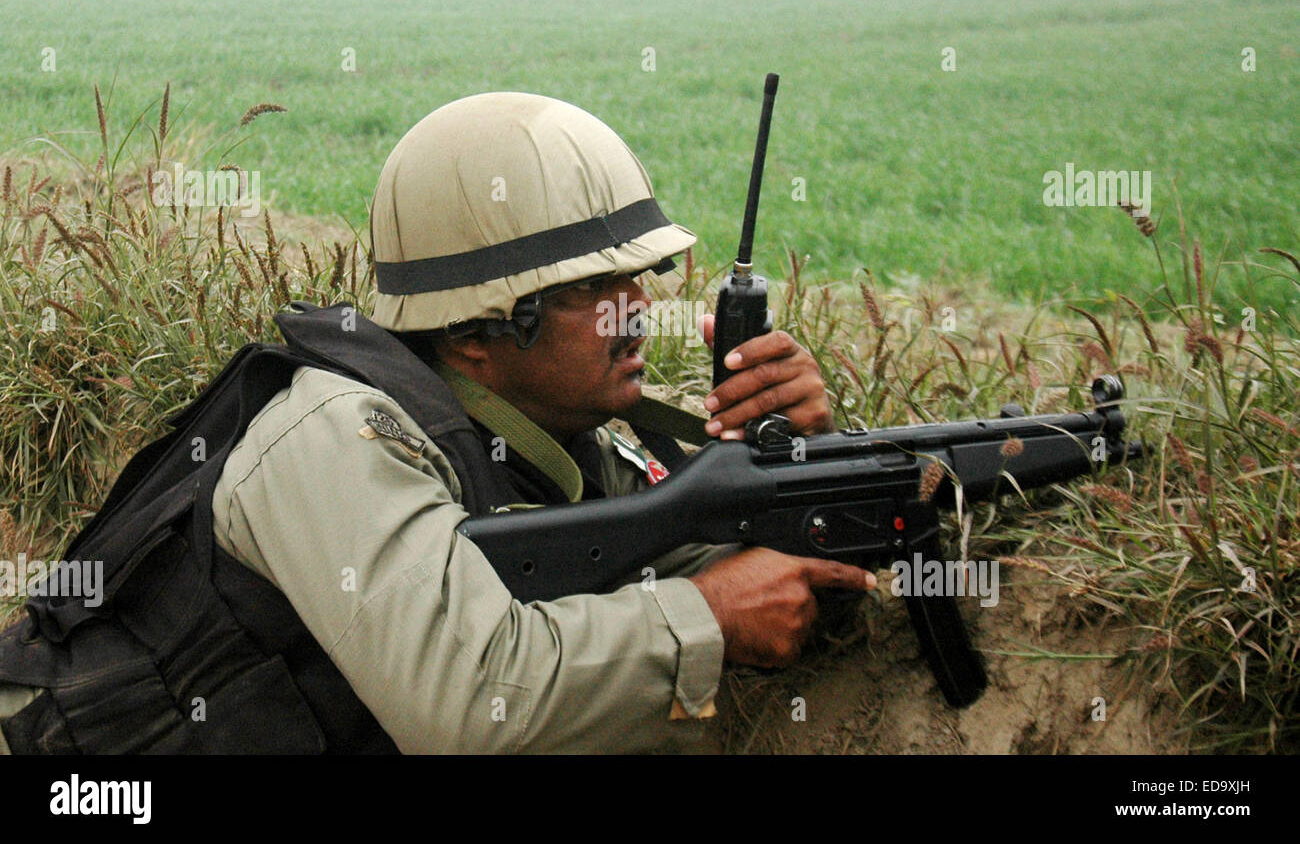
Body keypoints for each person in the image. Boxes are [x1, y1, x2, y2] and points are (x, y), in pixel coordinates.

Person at [0, 91, 872, 754]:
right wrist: (707, 618)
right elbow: (469, 702)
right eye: (593, 289)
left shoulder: (562, 439)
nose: (637, 309)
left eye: (641, 279)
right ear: (477, 332)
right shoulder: (334, 435)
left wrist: (797, 457)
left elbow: (721, 569)